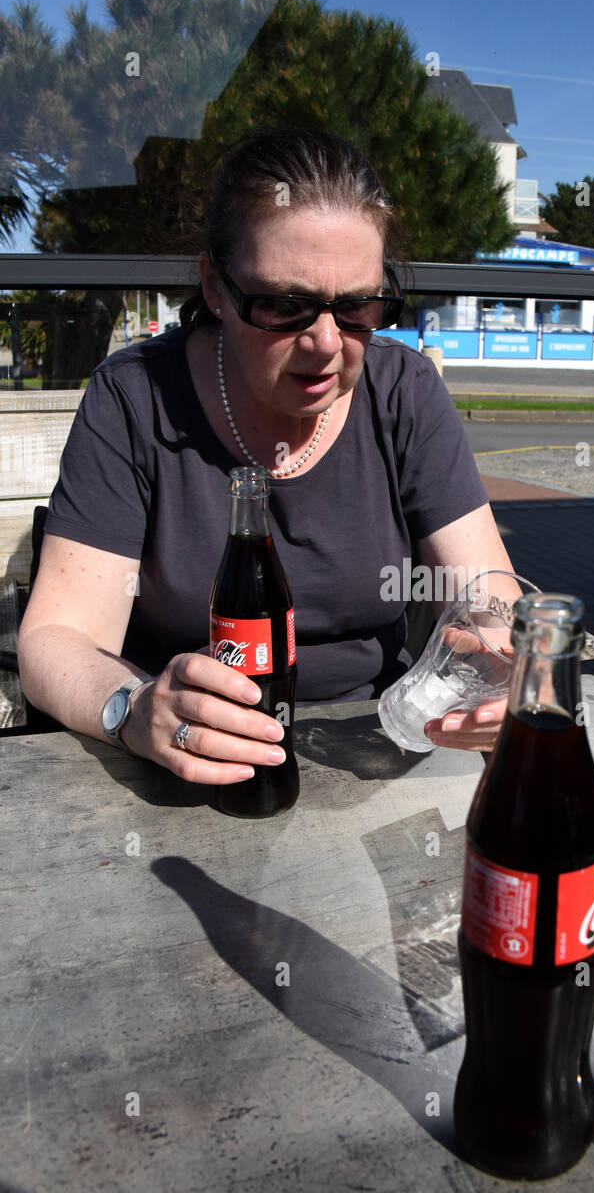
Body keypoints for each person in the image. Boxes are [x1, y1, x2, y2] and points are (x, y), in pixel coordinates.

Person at [17, 126, 516, 787]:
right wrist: (135, 709)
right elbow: (57, 637)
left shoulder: (405, 391)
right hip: (182, 771)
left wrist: (495, 653)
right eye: (284, 305)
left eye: (358, 306)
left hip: (371, 749)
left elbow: (488, 590)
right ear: (216, 288)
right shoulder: (136, 397)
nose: (325, 344)